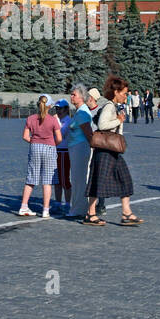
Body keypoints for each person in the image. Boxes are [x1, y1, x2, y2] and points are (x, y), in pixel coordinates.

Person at [85, 76, 142, 227]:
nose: (126, 95)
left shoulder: (113, 106)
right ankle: (90, 214)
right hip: (105, 150)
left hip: (112, 151)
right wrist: (119, 120)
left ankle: (126, 213)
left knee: (125, 179)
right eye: (124, 93)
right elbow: (102, 124)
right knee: (98, 182)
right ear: (116, 92)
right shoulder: (109, 106)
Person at [18, 95, 62, 217]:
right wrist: (52, 144)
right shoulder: (53, 120)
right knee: (47, 181)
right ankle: (45, 210)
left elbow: (25, 136)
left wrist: (35, 141)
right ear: (49, 106)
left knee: (31, 178)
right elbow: (59, 138)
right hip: (49, 148)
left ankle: (24, 206)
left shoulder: (30, 118)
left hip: (35, 147)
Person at [65, 84, 96, 219]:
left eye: (74, 95)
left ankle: (79, 209)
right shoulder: (79, 111)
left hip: (80, 148)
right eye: (71, 94)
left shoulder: (83, 112)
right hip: (75, 148)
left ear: (81, 97)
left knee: (79, 180)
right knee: (77, 180)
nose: (71, 97)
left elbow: (89, 133)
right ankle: (79, 207)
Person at [53, 100, 72, 211]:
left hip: (64, 152)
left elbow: (60, 134)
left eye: (60, 108)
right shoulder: (57, 120)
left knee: (64, 179)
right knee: (56, 180)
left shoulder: (67, 121)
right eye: (57, 109)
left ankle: (68, 203)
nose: (58, 111)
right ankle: (58, 202)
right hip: (56, 151)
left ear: (66, 109)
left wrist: (54, 122)